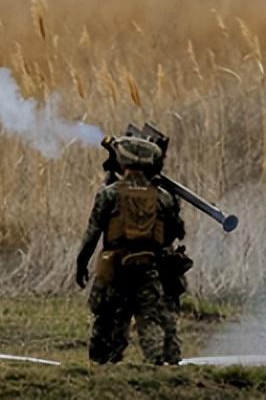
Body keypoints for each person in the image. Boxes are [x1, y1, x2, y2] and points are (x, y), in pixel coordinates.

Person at [76, 137, 183, 364]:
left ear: (122, 163)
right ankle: (160, 366)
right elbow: (174, 234)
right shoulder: (164, 197)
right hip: (150, 269)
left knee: (108, 321)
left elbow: (92, 234)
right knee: (151, 321)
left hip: (114, 269)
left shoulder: (109, 194)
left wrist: (81, 263)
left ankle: (104, 367)